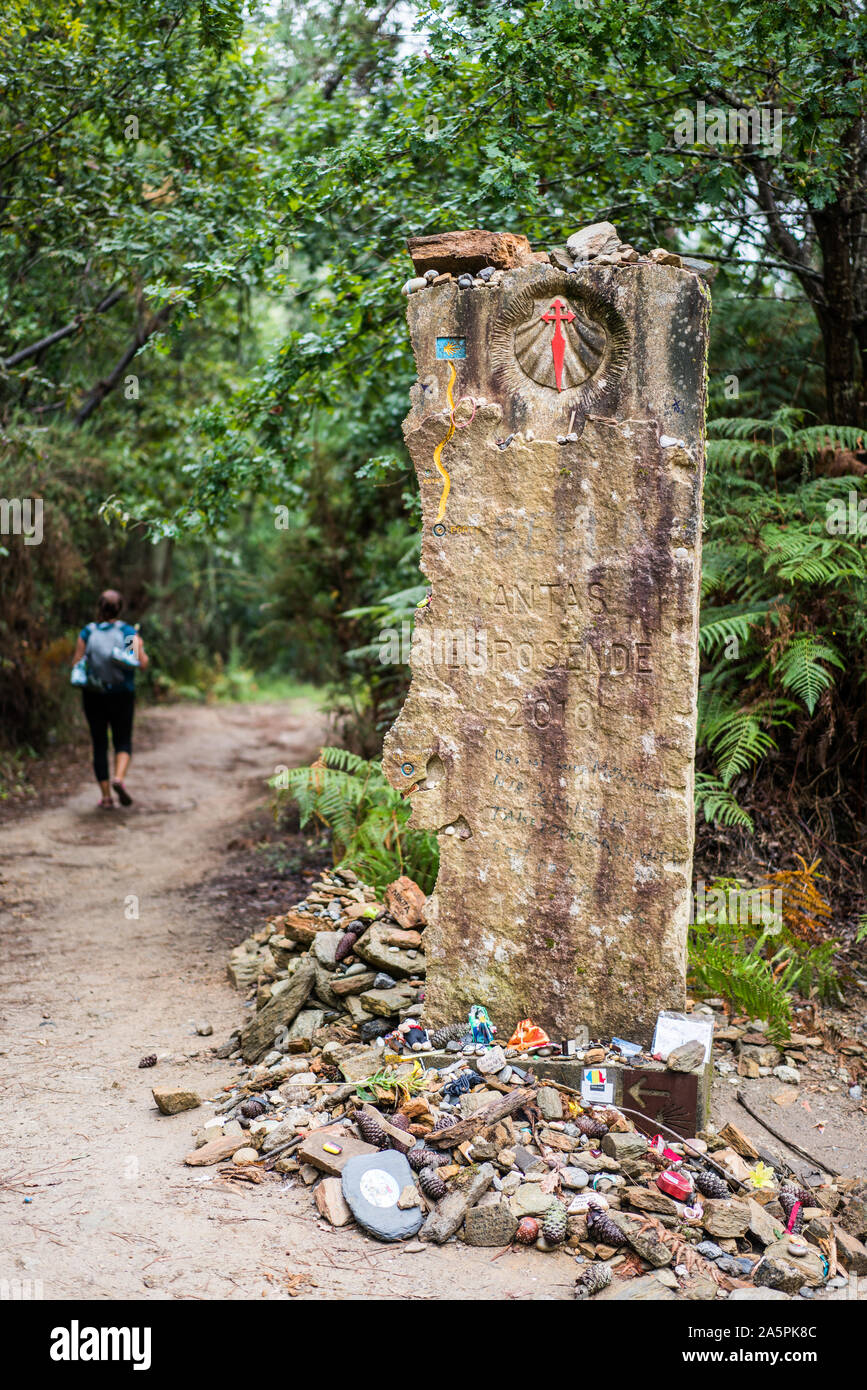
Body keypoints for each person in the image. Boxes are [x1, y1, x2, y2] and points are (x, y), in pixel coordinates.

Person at [73, 590, 149, 809]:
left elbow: (77, 662)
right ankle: (119, 778)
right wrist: (139, 647)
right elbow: (141, 663)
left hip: (93, 695)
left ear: (99, 607)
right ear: (120, 608)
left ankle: (106, 797)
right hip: (122, 694)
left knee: (99, 743)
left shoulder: (88, 632)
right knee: (122, 740)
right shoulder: (127, 632)